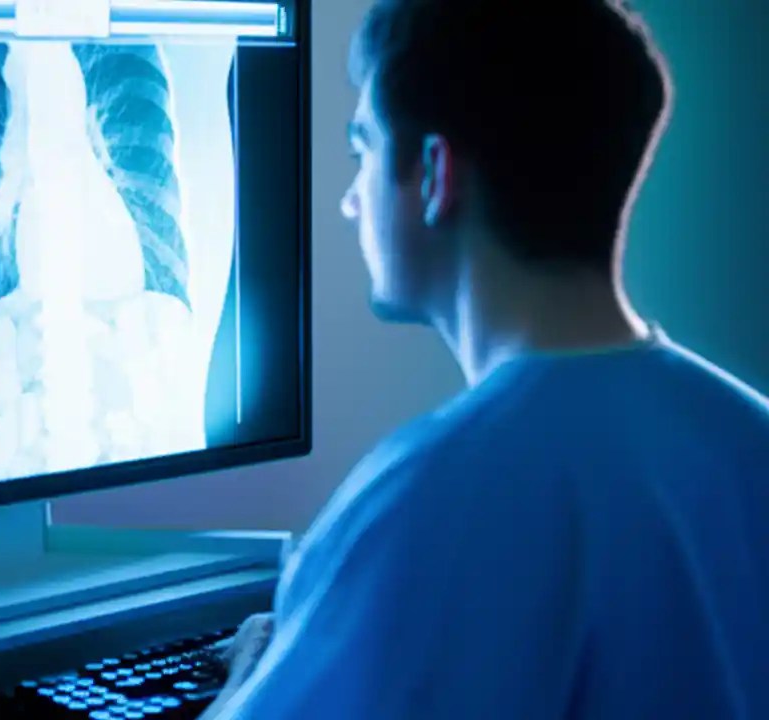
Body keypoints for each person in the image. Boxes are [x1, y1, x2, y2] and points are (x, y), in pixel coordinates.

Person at [201, 0, 769, 718]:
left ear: (436, 175)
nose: (350, 200)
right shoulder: (750, 436)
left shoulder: (426, 500)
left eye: (364, 150)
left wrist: (248, 682)